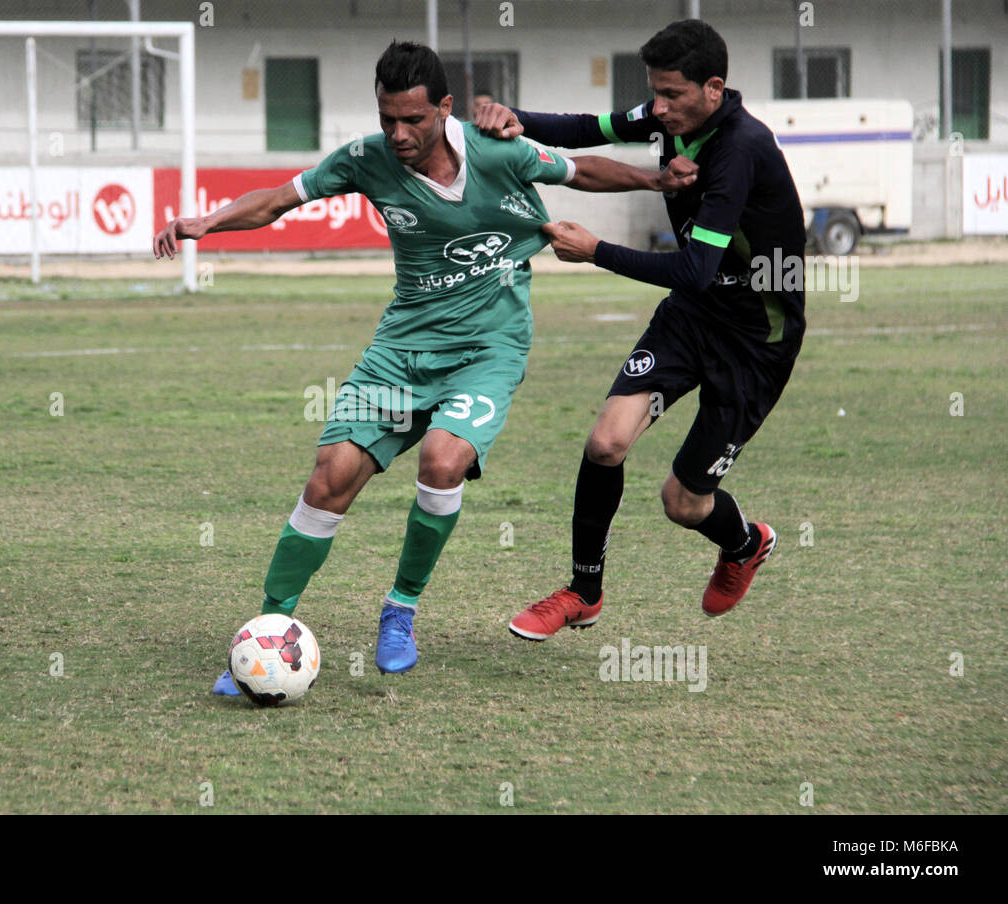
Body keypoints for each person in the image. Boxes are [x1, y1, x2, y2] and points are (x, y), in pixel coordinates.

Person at [154, 40, 695, 694]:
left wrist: (653, 178)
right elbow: (277, 201)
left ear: (445, 108)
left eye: (412, 119)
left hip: (490, 347)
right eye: (387, 119)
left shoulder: (498, 150)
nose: (398, 134)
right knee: (330, 477)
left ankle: (401, 608)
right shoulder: (366, 160)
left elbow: (577, 171)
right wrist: (201, 223)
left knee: (443, 460)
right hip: (402, 347)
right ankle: (270, 628)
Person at [474, 18, 804, 636]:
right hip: (691, 317)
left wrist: (594, 249)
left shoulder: (739, 149)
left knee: (682, 503)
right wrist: (506, 115)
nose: (657, 107)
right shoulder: (672, 116)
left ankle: (743, 543)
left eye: (671, 95)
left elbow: (697, 268)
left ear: (713, 88)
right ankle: (583, 592)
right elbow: (586, 129)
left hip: (756, 339)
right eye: (654, 93)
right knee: (605, 443)